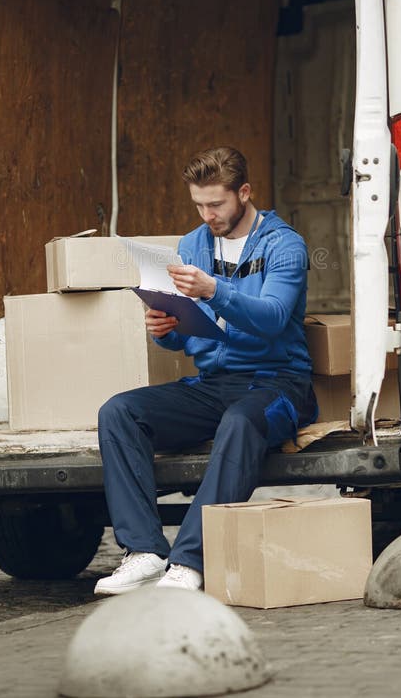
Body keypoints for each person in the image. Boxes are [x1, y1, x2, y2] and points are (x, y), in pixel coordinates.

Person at [95, 146, 317, 595]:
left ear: (244, 192)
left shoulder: (284, 245)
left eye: (216, 203)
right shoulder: (192, 244)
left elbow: (273, 318)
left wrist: (215, 289)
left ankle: (191, 559)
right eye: (198, 204)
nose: (207, 214)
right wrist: (163, 329)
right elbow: (185, 336)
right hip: (214, 384)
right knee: (119, 412)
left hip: (279, 384)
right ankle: (144, 551)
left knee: (240, 421)